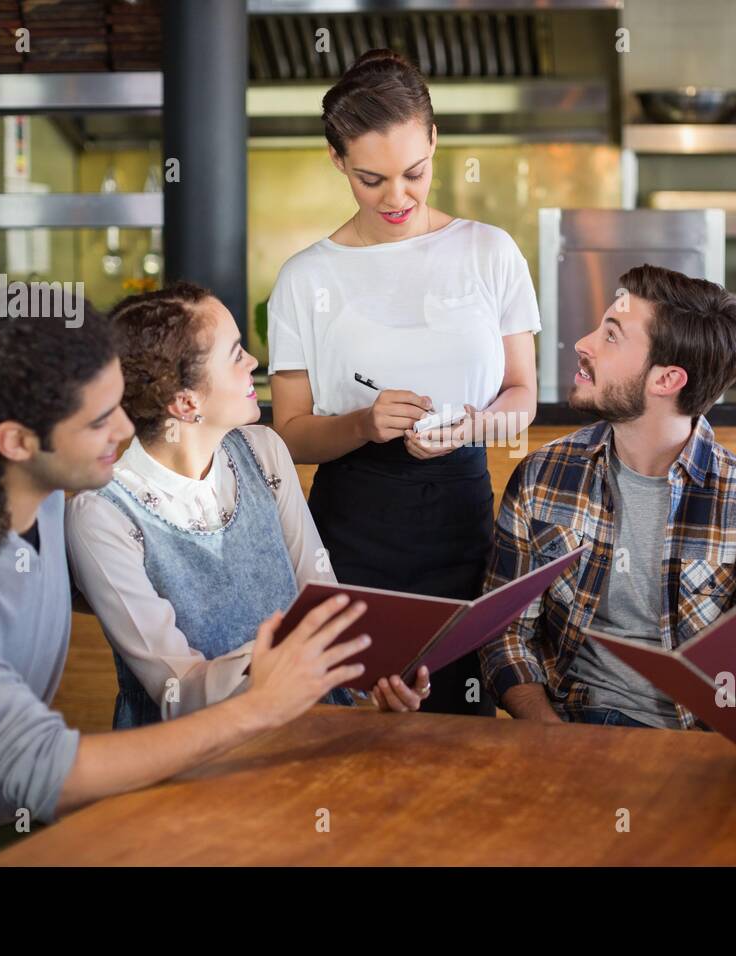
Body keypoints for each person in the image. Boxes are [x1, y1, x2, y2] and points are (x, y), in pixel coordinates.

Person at [0, 287, 371, 866]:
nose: (127, 430)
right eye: (100, 419)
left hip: (13, 823)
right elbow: (50, 773)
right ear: (16, 441)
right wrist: (261, 703)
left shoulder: (49, 496)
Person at [268, 48, 541, 717]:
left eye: (413, 173)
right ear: (337, 161)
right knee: (355, 732)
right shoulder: (306, 278)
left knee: (461, 725)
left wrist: (472, 427)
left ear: (435, 143)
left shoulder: (490, 251)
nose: (397, 197)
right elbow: (291, 435)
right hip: (354, 533)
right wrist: (363, 423)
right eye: (370, 179)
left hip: (464, 521)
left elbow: (522, 399)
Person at [67, 282, 429, 727]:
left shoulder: (263, 450)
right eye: (237, 355)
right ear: (186, 402)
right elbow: (175, 689)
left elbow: (324, 601)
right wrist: (281, 665)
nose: (254, 362)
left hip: (312, 726)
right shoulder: (103, 514)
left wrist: (373, 672)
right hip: (186, 759)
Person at [480, 265, 736, 728]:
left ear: (667, 380)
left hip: (689, 752)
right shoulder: (543, 475)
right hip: (563, 728)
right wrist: (546, 732)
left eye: (611, 336)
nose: (583, 344)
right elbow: (505, 631)